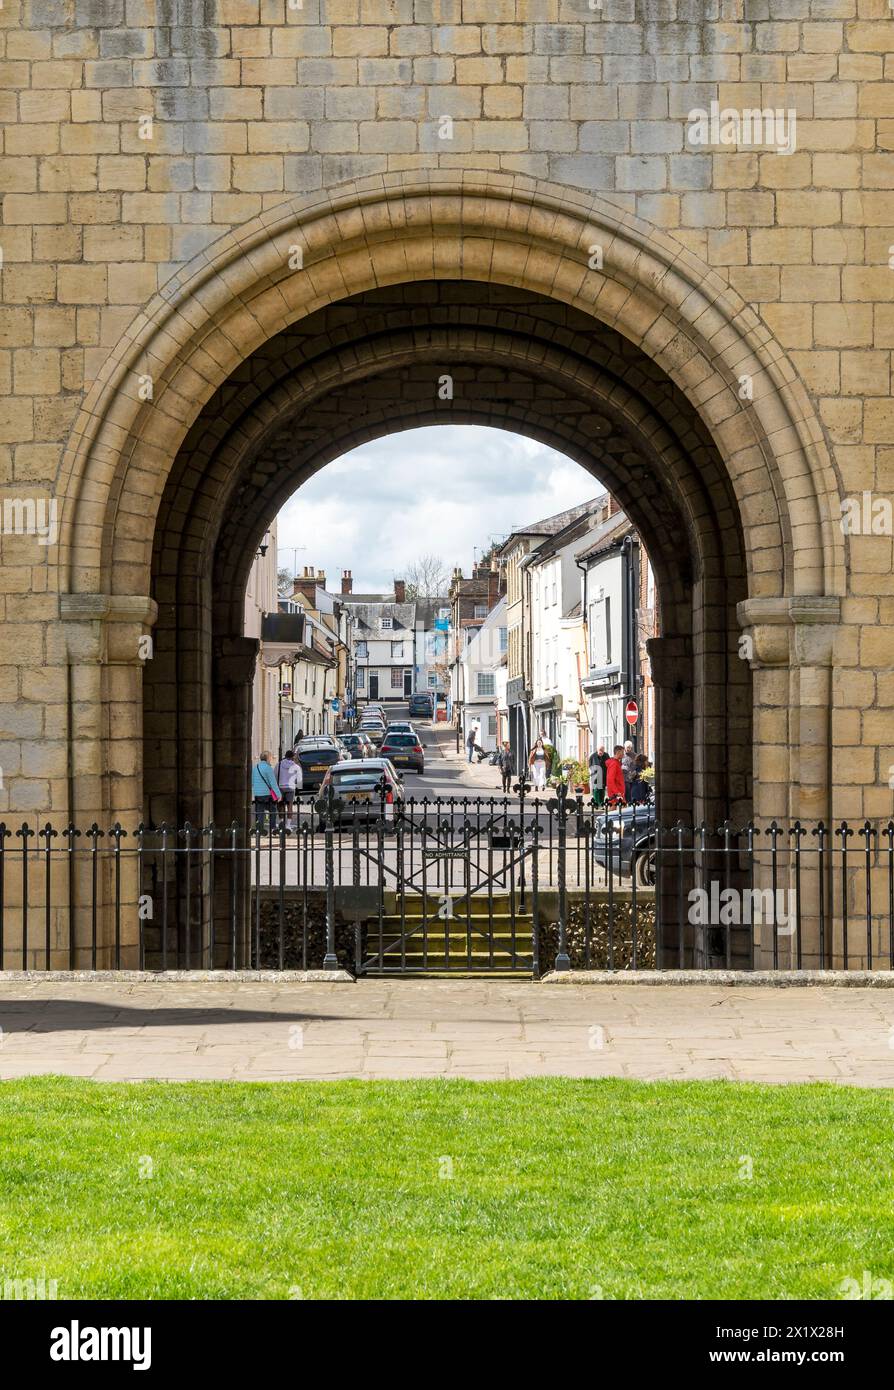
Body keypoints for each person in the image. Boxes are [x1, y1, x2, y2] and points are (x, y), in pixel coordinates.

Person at [252, 751, 281, 831]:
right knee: (273, 810)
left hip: (258, 794)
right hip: (267, 794)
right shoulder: (268, 768)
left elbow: (252, 782)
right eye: (270, 757)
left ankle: (259, 829)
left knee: (260, 812)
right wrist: (279, 795)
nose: (270, 759)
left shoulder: (255, 768)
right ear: (267, 758)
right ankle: (273, 828)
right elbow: (273, 783)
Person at [275, 748, 303, 831]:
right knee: (289, 806)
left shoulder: (279, 764)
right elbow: (299, 780)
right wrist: (298, 788)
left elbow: (275, 775)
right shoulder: (296, 766)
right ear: (293, 757)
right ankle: (288, 825)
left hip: (280, 787)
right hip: (291, 787)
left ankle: (281, 822)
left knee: (280, 805)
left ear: (285, 756)